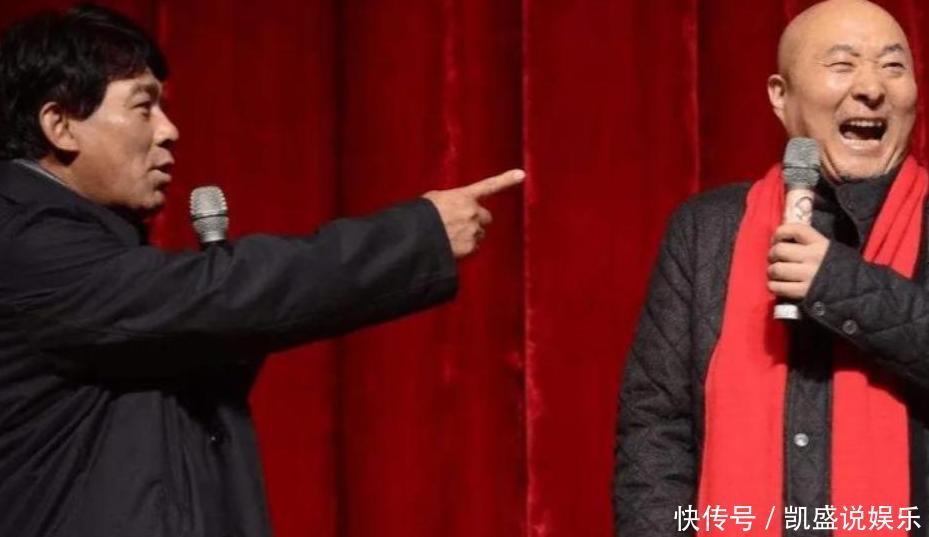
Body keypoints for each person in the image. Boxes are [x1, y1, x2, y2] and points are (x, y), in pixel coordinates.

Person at [0, 5, 523, 537]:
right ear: (60, 125)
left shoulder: (98, 251)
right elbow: (221, 292)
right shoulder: (22, 245)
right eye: (143, 106)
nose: (169, 130)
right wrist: (417, 237)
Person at [614, 1, 929, 535]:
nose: (872, 88)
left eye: (893, 66)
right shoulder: (707, 229)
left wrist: (836, 283)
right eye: (843, 64)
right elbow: (655, 428)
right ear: (781, 96)